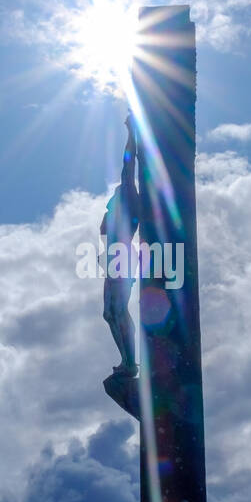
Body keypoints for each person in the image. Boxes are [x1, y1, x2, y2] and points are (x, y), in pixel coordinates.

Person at [102, 113, 140, 377]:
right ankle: (126, 361)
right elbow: (103, 229)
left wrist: (131, 132)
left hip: (123, 258)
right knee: (108, 313)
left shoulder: (126, 194)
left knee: (118, 309)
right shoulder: (114, 212)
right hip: (113, 260)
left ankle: (129, 363)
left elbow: (129, 164)